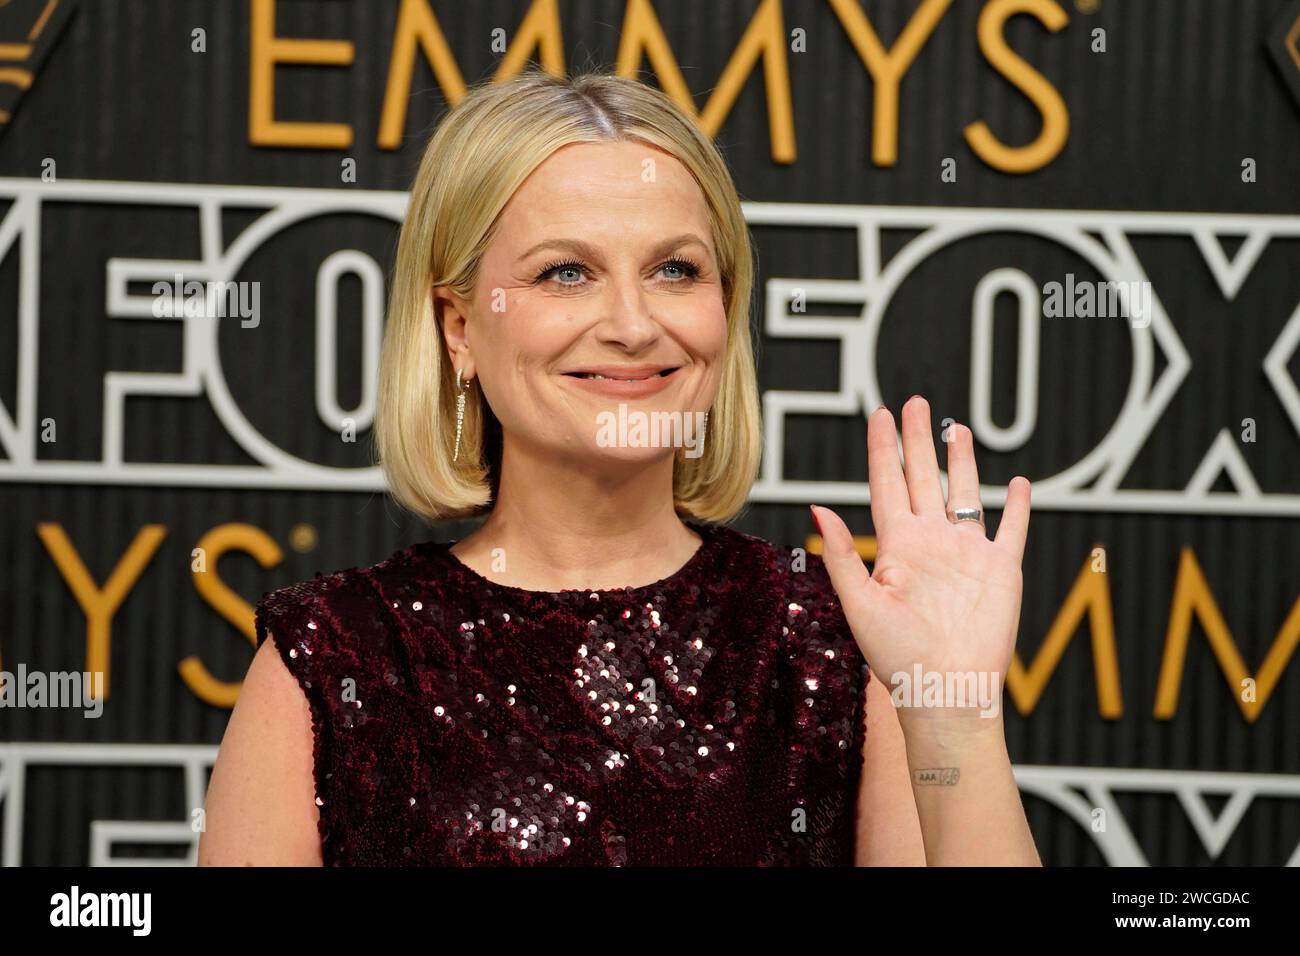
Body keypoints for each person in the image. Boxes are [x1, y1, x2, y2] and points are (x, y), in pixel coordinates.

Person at [199, 69, 1039, 866]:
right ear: (459, 327)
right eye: (567, 273)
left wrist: (953, 720)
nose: (633, 325)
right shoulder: (338, 656)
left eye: (675, 270)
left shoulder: (839, 649)